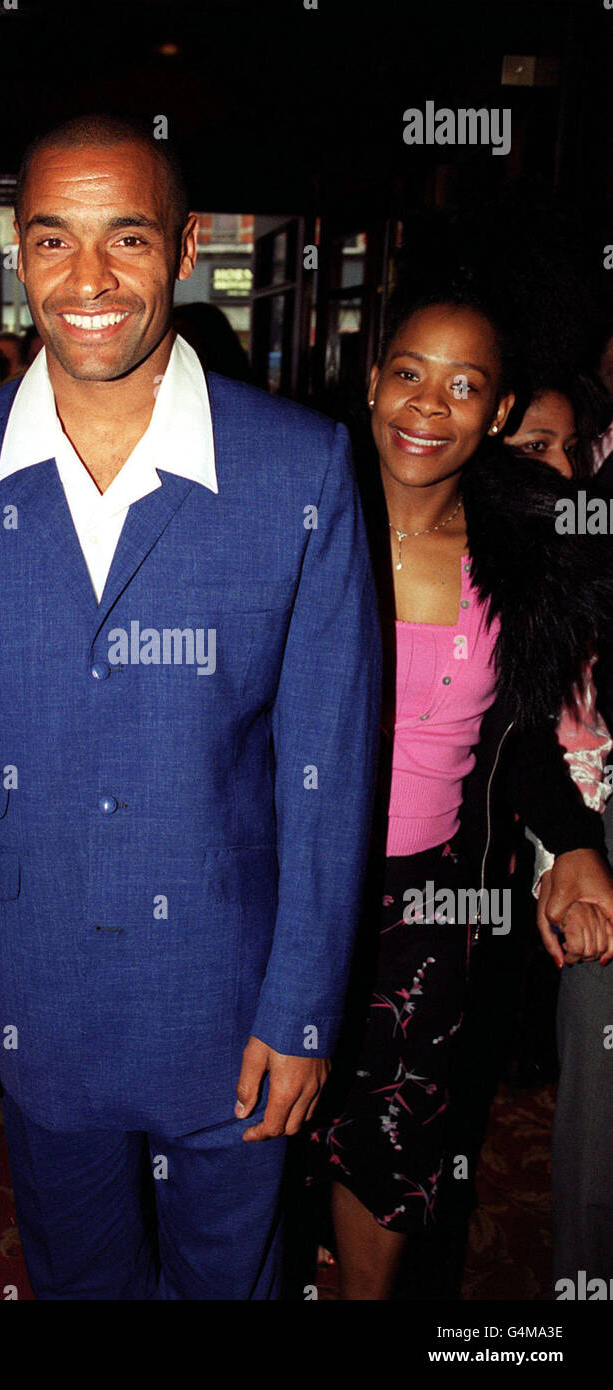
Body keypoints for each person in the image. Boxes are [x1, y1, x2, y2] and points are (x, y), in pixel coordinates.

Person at [0, 113, 382, 1301]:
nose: (87, 280)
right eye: (53, 240)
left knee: (231, 1283)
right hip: (29, 995)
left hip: (232, 996)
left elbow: (328, 769)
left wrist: (304, 1009)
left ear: (188, 245)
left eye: (127, 238)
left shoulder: (299, 469)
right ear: (17, 249)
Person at [309, 278, 613, 1299]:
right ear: (370, 384)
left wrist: (572, 842)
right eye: (407, 373)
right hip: (292, 880)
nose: (426, 405)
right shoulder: (302, 521)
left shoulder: (517, 560)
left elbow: (522, 737)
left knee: (392, 1133)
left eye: (461, 385)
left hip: (430, 902)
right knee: (264, 1114)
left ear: (495, 414)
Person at [504, 379, 613, 1290]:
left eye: (571, 451)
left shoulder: (582, 544)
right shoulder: (466, 550)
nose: (560, 469)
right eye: (536, 445)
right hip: (484, 844)